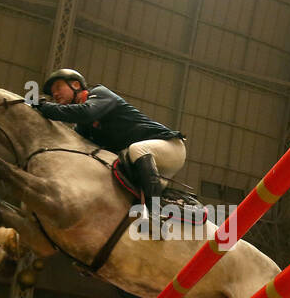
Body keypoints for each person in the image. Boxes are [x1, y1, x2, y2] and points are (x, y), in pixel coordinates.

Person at [36, 68, 186, 215]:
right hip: (144, 160)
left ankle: (155, 210)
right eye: (52, 92)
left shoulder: (100, 93)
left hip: (170, 147)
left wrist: (45, 108)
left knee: (136, 149)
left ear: (75, 85)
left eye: (58, 87)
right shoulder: (83, 127)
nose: (55, 94)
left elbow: (86, 113)